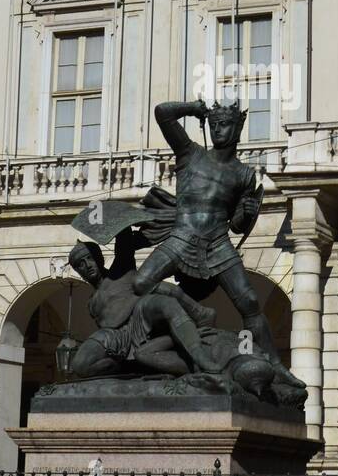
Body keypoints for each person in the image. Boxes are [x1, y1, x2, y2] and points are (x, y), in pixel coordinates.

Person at [132, 100, 280, 363]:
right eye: (213, 125)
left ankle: (276, 364)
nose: (217, 130)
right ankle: (195, 312)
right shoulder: (190, 153)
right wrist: (193, 109)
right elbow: (162, 113)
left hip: (217, 242)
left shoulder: (245, 175)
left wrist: (245, 213)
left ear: (237, 128)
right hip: (181, 236)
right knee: (142, 282)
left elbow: (237, 226)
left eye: (224, 125)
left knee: (249, 302)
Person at [68, 233, 220, 378]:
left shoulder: (120, 270)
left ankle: (200, 357)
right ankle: (124, 368)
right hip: (115, 336)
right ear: (78, 271)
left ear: (99, 258)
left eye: (90, 258)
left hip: (140, 312)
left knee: (164, 303)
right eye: (80, 264)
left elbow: (124, 239)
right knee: (80, 365)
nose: (87, 265)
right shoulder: (92, 303)